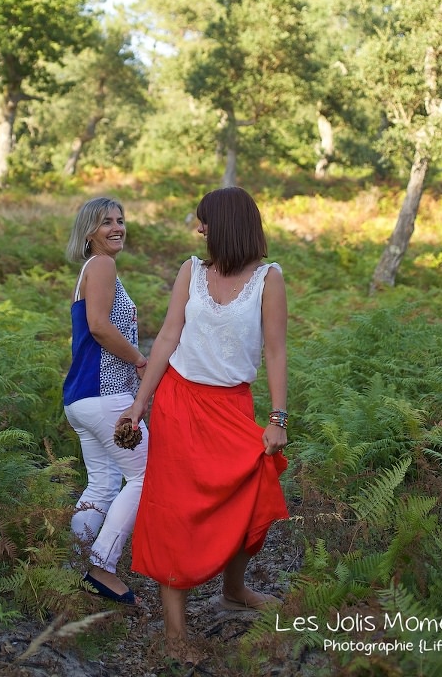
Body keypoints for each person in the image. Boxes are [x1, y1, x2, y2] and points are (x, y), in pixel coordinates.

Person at [117, 186, 289, 657]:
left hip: (232, 407)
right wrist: (139, 403)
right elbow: (169, 336)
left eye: (204, 221)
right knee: (174, 510)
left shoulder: (268, 279)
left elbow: (275, 350)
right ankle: (176, 638)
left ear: (226, 225)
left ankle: (234, 590)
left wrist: (277, 418)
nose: (199, 230)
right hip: (179, 402)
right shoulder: (191, 271)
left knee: (253, 488)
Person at [63, 196, 150, 605]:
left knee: (102, 482)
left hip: (81, 398)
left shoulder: (90, 271)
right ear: (89, 232)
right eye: (106, 222)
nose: (117, 227)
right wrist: (139, 360)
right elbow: (99, 327)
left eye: (121, 219)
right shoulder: (101, 266)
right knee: (145, 476)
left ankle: (73, 561)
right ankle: (101, 566)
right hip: (104, 396)